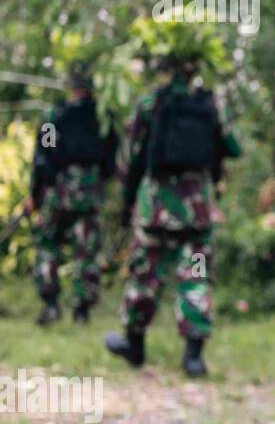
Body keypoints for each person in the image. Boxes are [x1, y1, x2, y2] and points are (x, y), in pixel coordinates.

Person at [104, 53, 241, 376]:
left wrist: (127, 202)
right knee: (196, 275)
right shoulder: (212, 104)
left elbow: (128, 159)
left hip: (156, 208)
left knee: (144, 275)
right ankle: (193, 356)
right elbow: (234, 147)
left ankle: (134, 344)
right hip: (197, 210)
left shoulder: (150, 103)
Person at [26, 62, 118, 326]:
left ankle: (51, 304)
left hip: (58, 192)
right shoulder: (103, 117)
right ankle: (81, 311)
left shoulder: (55, 116)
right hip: (89, 193)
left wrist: (35, 194)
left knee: (47, 245)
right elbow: (112, 159)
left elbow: (42, 158)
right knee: (86, 251)